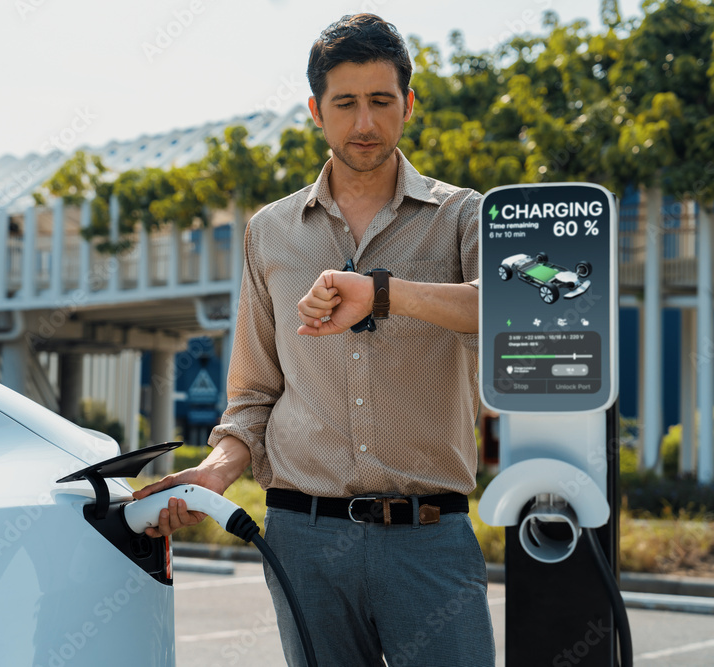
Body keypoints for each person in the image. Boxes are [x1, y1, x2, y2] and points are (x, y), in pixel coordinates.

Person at [134, 13, 496, 666]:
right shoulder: (270, 231)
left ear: (408, 105)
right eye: (346, 104)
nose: (365, 124)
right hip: (303, 536)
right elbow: (253, 387)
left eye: (382, 102)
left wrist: (383, 291)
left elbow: (504, 309)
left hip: (428, 537)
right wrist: (216, 470)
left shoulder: (462, 215)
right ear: (315, 110)